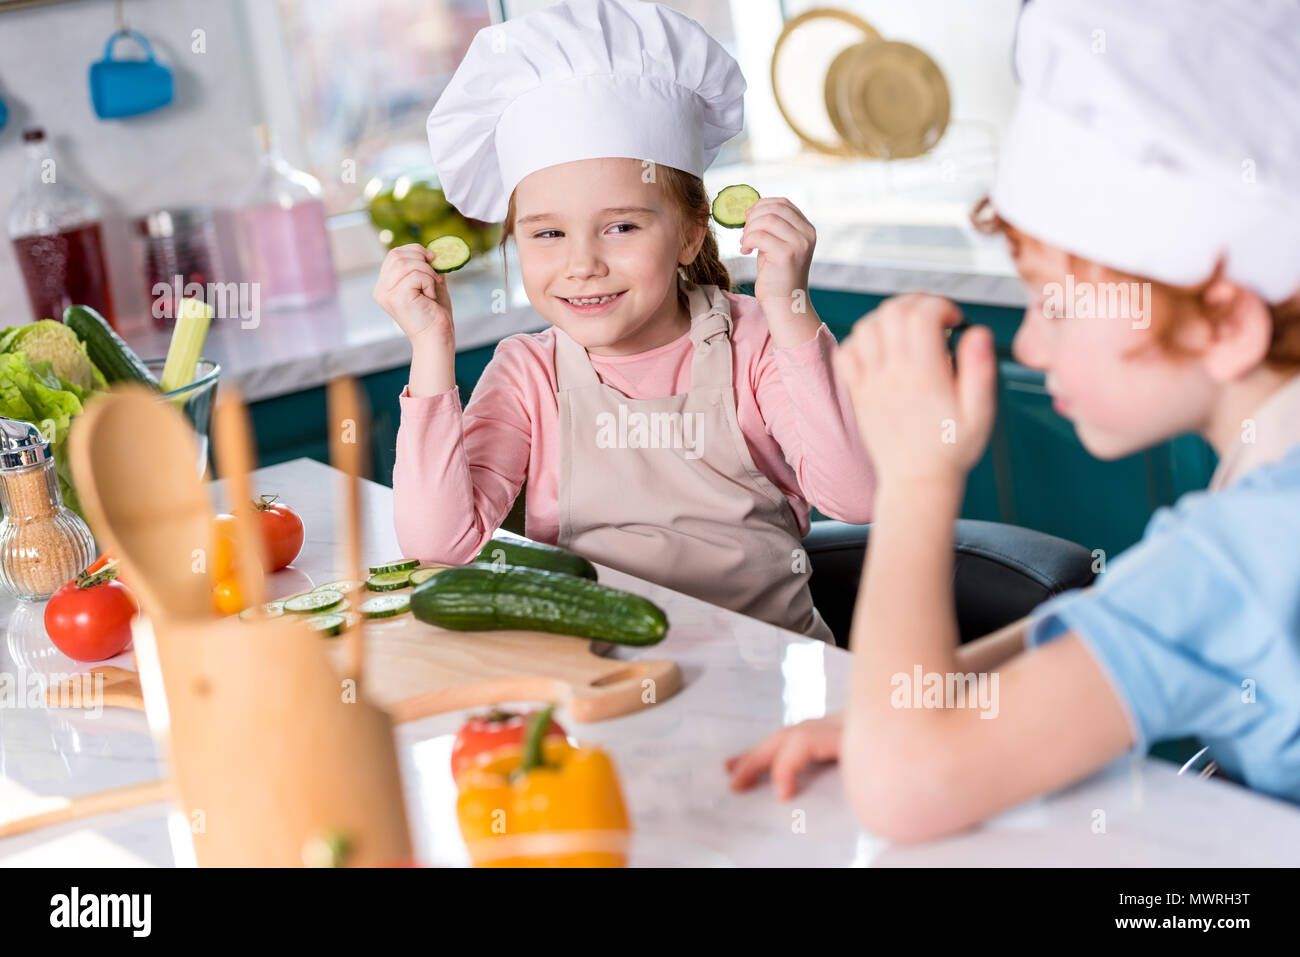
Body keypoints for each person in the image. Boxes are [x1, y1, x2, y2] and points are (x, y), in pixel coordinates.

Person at [727, 0, 1300, 839]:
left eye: (1059, 305)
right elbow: (1123, 624)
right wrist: (920, 695)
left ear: (1225, 323)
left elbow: (907, 789)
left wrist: (920, 480)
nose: (1030, 340)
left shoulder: (1243, 553)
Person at [375, 0, 875, 642]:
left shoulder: (753, 340)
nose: (582, 264)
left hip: (773, 678)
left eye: (621, 226)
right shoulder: (529, 375)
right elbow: (438, 547)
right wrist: (430, 348)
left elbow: (854, 499)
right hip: (605, 678)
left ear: (691, 233)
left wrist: (791, 313)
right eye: (548, 232)